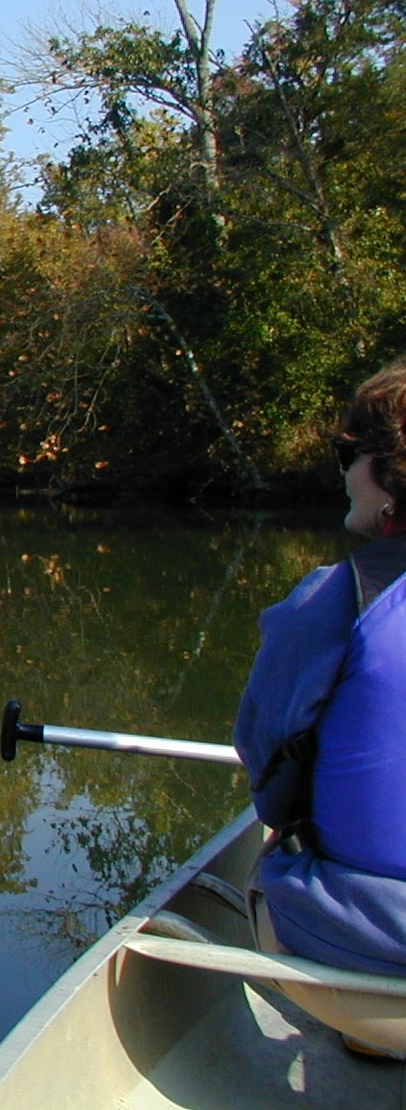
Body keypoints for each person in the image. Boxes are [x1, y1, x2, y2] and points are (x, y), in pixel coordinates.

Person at [235, 359, 406, 980]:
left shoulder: (333, 601)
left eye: (347, 454)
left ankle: (370, 1040)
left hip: (382, 942)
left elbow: (269, 776)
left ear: (390, 476)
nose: (343, 475)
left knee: (276, 859)